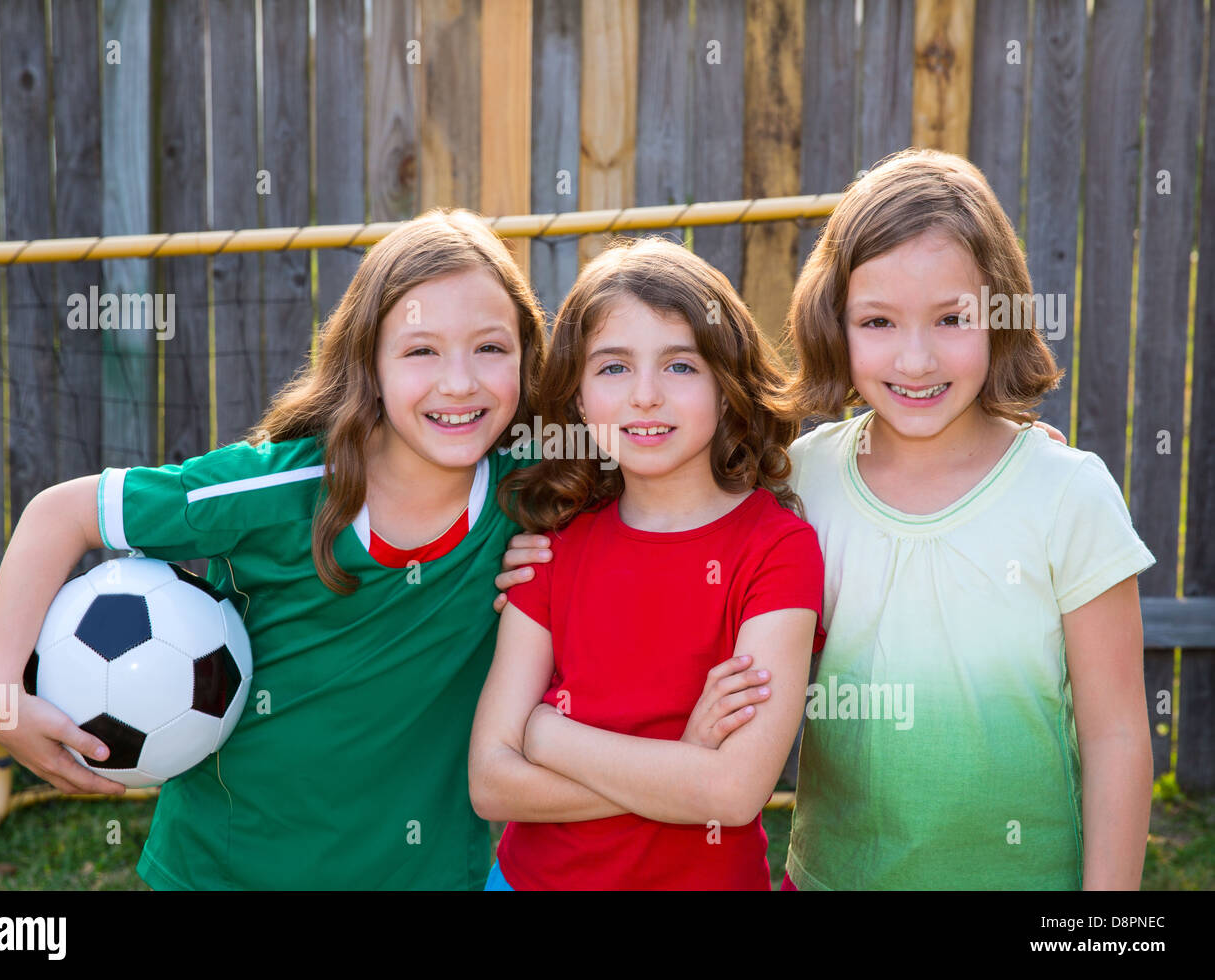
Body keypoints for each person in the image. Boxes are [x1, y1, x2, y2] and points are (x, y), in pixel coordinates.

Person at [0, 209, 552, 889]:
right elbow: (60, 514)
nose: (460, 382)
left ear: (527, 355)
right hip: (225, 870)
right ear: (367, 361)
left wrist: (560, 564)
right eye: (421, 350)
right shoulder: (273, 487)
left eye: (491, 348)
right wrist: (0, 693)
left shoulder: (533, 491)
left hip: (421, 871)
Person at [774, 148, 1155, 889]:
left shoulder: (1068, 495)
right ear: (835, 323)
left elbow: (1116, 737)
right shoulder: (802, 481)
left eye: (952, 319)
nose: (916, 360)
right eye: (878, 321)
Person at [468, 235, 826, 890]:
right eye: (612, 368)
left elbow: (731, 794)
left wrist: (549, 738)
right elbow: (492, 783)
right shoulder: (553, 545)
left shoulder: (777, 548)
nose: (645, 395)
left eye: (681, 366)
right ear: (577, 399)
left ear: (727, 385)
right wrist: (681, 763)